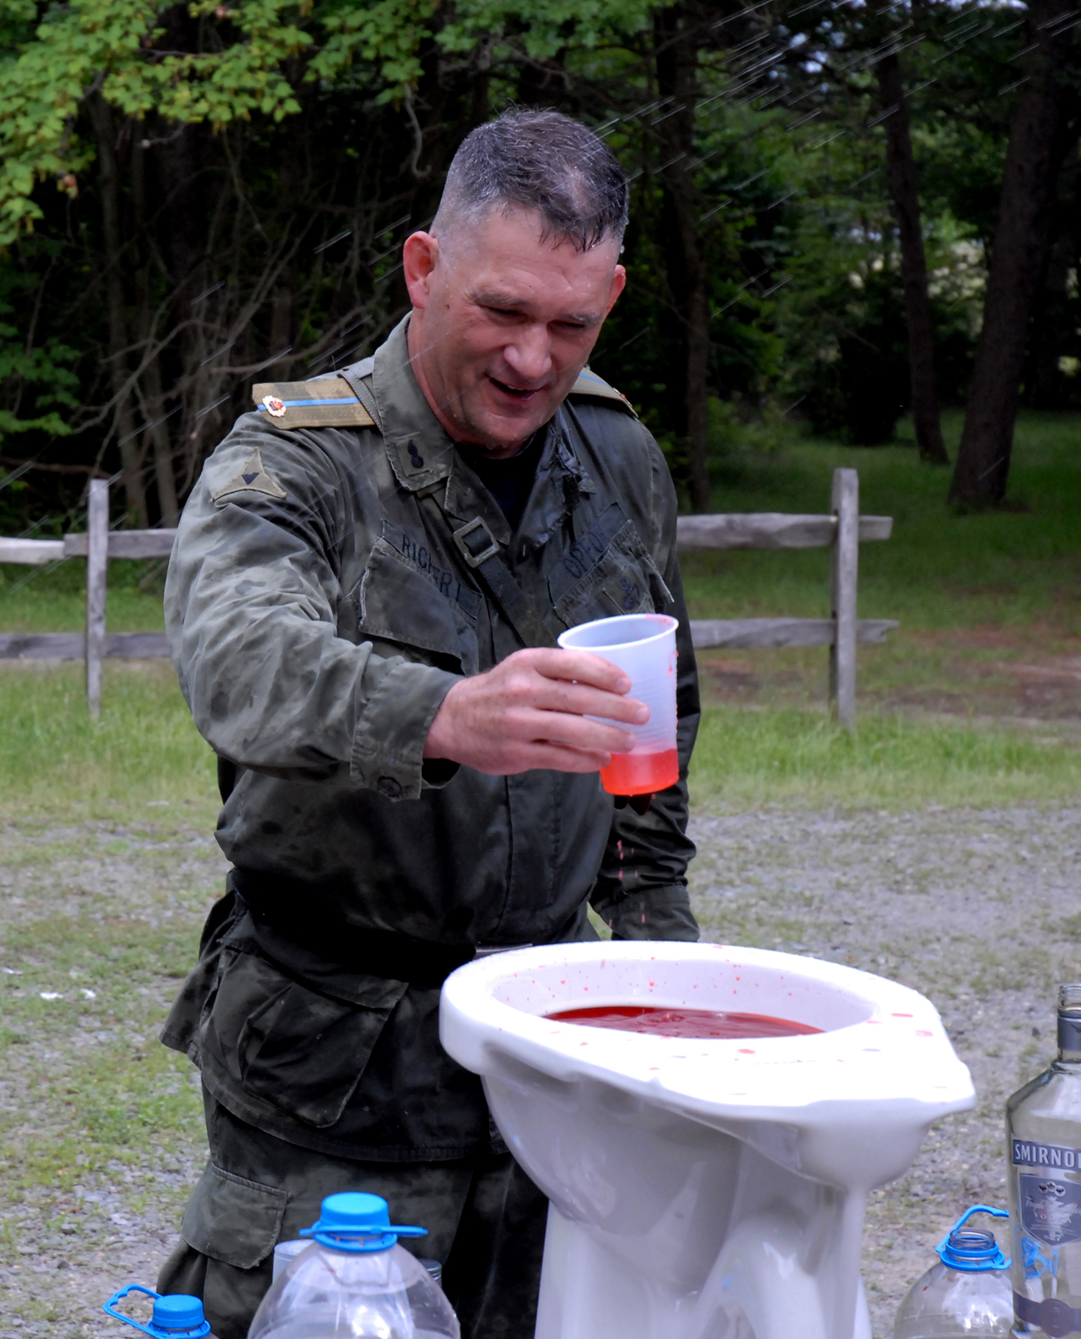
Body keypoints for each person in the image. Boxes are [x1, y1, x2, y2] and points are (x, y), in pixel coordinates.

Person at [156, 108, 700, 1338]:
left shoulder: (616, 460)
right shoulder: (292, 463)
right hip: (334, 1062)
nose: (529, 358)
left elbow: (652, 742)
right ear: (420, 267)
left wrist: (663, 971)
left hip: (550, 1056)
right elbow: (238, 663)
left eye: (569, 324)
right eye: (500, 312)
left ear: (610, 296)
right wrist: (447, 710)